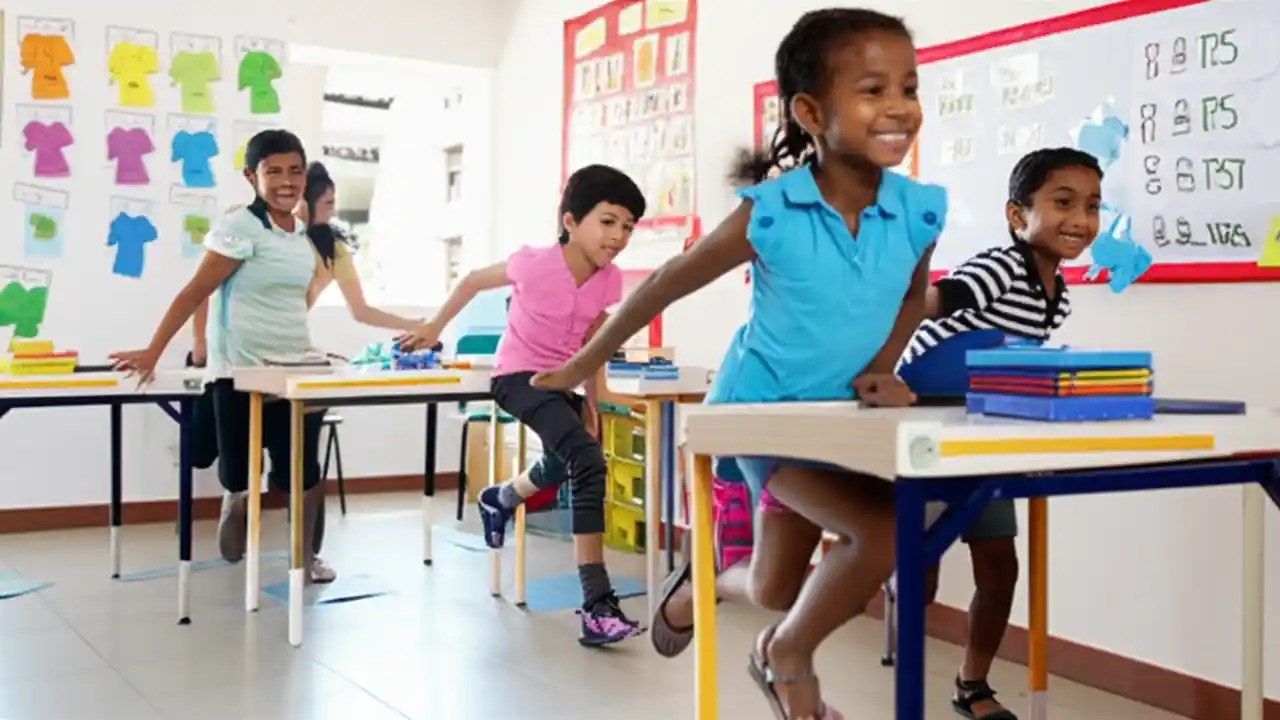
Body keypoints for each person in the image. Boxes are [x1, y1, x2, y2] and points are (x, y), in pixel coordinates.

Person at [530, 9, 945, 718]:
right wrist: (580, 365)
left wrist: (882, 365)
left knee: (780, 588)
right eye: (873, 90)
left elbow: (914, 292)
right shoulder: (774, 211)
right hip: (759, 415)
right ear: (811, 111)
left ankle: (706, 586)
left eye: (908, 87)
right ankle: (784, 656)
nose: (900, 109)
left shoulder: (920, 210)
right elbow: (668, 281)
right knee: (880, 532)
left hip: (841, 418)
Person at [397, 164, 648, 647]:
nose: (618, 237)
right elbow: (470, 280)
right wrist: (433, 327)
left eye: (629, 227)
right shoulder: (534, 262)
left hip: (564, 382)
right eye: (609, 221)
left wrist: (595, 402)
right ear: (572, 222)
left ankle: (501, 498)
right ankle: (597, 604)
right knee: (587, 463)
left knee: (565, 457)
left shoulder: (609, 281)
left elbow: (594, 340)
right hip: (517, 377)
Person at [894, 146, 1102, 720]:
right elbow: (931, 304)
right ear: (1017, 215)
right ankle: (895, 643)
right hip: (926, 430)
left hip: (981, 433)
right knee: (924, 571)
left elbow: (1018, 370)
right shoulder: (1000, 267)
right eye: (1063, 202)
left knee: (998, 564)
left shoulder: (1055, 297)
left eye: (1091, 206)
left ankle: (972, 684)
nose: (1080, 219)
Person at [111, 129, 337, 584]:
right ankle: (235, 496)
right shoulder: (238, 227)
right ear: (252, 176)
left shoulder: (302, 237)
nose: (286, 181)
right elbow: (197, 291)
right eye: (273, 171)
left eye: (295, 170)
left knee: (305, 474)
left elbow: (294, 301)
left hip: (293, 371)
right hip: (239, 372)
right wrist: (154, 350)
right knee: (239, 473)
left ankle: (307, 557)